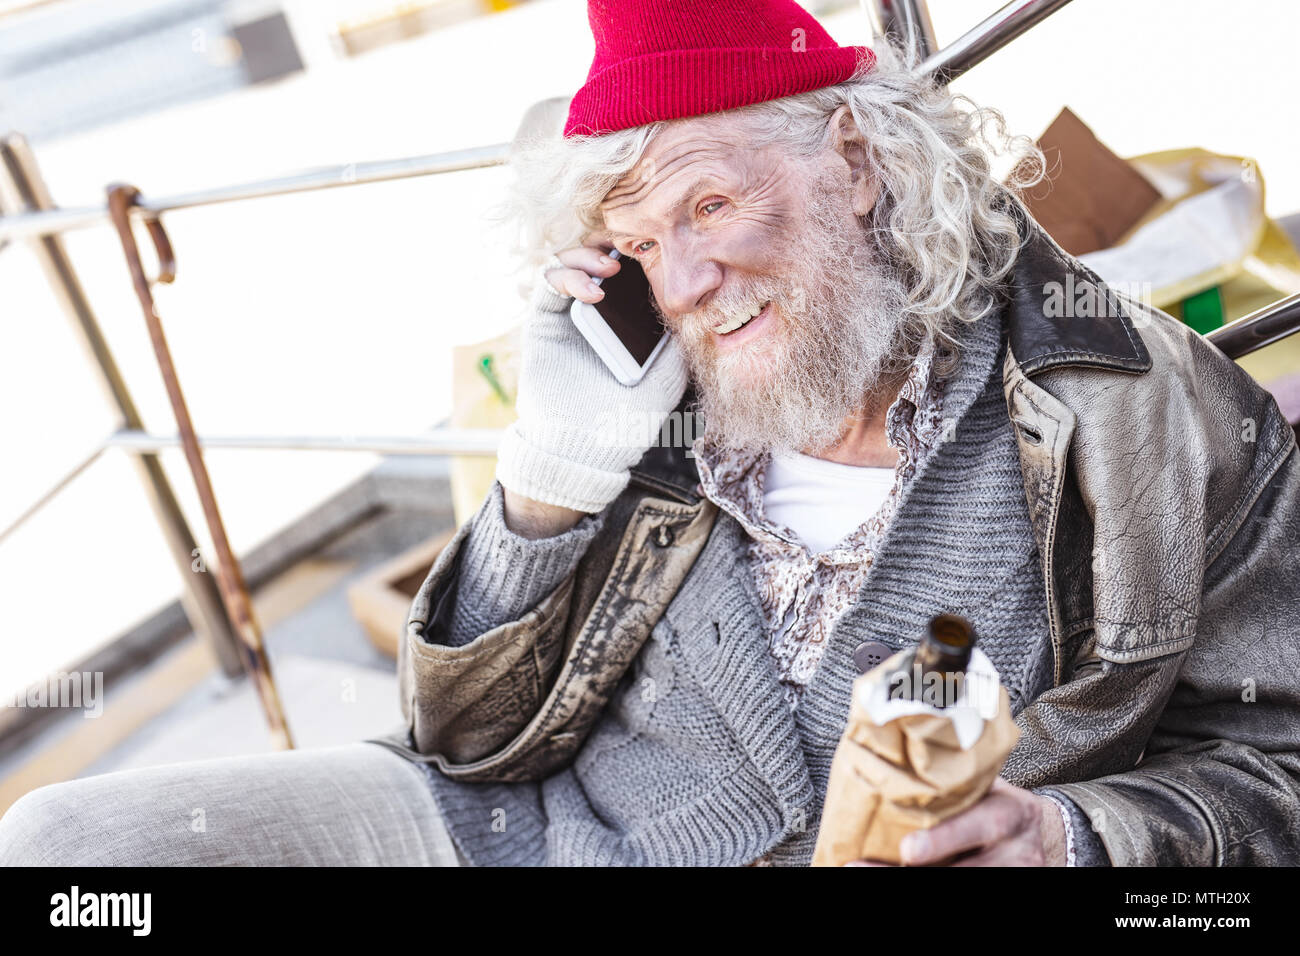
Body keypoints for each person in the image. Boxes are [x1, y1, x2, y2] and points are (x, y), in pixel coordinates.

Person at [2, 0, 1297, 868]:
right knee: (69, 855)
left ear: (853, 158)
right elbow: (460, 740)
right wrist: (549, 482)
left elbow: (1277, 771)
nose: (681, 279)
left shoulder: (1141, 406)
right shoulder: (645, 395)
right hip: (525, 830)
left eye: (711, 200)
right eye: (633, 237)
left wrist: (1070, 841)